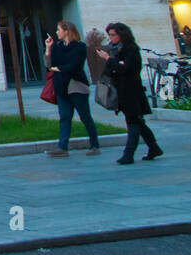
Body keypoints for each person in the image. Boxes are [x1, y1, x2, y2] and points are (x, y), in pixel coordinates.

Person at [97, 22, 162, 164]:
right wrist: (111, 61)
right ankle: (153, 147)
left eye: (113, 35)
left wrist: (109, 59)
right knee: (138, 121)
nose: (110, 38)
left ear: (122, 35)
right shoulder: (116, 50)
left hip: (132, 91)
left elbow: (124, 69)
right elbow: (112, 70)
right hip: (122, 91)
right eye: (109, 35)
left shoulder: (130, 49)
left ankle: (128, 154)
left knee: (133, 121)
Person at [44, 21, 100, 157]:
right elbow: (49, 65)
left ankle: (95, 145)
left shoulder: (80, 47)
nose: (57, 32)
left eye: (58, 30)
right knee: (64, 117)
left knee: (85, 116)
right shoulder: (56, 46)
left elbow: (75, 65)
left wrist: (60, 69)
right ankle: (62, 147)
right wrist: (48, 48)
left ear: (66, 31)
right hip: (60, 86)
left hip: (76, 86)